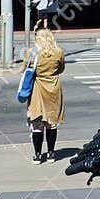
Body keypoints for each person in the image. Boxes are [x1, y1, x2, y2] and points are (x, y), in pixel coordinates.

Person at [25, 23, 66, 162]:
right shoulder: (59, 52)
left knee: (37, 123)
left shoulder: (32, 52)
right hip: (53, 87)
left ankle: (37, 155)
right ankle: (51, 153)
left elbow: (25, 69)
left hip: (37, 87)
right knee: (51, 122)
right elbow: (61, 69)